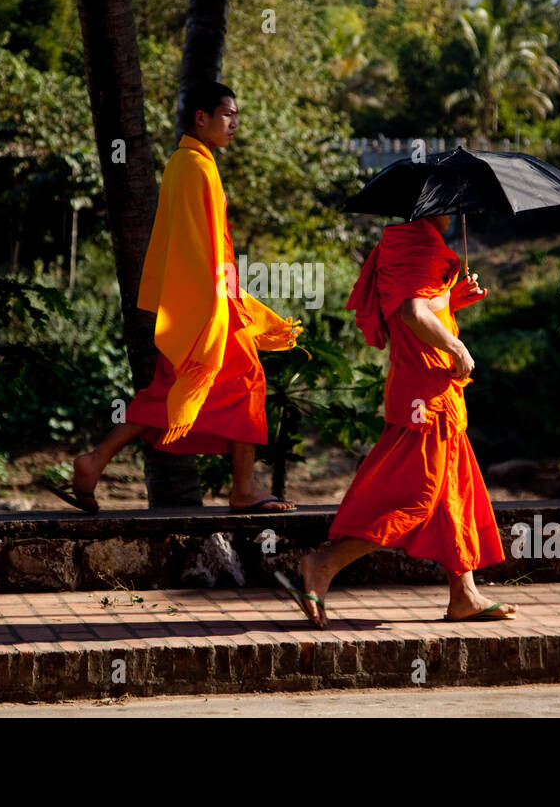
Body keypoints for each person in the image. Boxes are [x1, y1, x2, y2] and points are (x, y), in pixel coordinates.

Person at [55, 81, 302, 514]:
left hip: (204, 302)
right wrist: (220, 307)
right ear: (201, 118)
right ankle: (243, 490)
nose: (234, 125)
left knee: (166, 393)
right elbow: (196, 247)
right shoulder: (192, 165)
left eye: (236, 115)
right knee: (247, 382)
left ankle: (93, 462)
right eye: (227, 115)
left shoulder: (192, 162)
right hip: (206, 306)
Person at [275, 214, 517, 626]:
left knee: (451, 492)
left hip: (421, 389)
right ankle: (324, 563)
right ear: (435, 204)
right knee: (417, 497)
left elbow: (416, 309)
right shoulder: (422, 250)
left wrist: (451, 300)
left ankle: (465, 594)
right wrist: (457, 347)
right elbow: (410, 313)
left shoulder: (399, 245)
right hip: (427, 394)